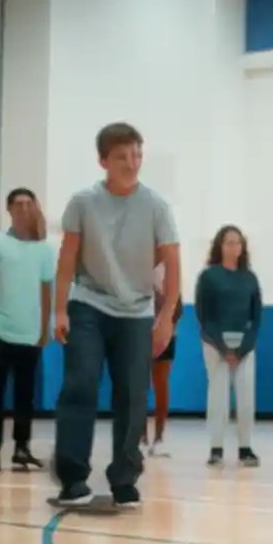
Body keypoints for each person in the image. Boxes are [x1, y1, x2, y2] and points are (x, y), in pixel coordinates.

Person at [48, 122, 180, 511]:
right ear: (103, 160)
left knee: (133, 394)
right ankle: (72, 478)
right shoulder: (83, 203)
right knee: (81, 385)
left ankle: (124, 478)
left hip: (137, 309)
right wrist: (59, 308)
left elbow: (172, 261)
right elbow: (67, 257)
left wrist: (167, 315)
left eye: (137, 154)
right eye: (122, 156)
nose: (132, 162)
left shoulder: (156, 206)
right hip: (89, 303)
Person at [0, 187, 53, 473]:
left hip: (30, 332)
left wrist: (44, 326)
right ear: (8, 209)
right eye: (17, 204)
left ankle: (22, 450)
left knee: (26, 395)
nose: (23, 209)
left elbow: (46, 289)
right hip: (0, 330)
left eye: (28, 204)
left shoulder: (44, 250)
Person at [196, 225, 263, 467]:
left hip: (244, 346)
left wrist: (244, 346)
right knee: (218, 396)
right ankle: (216, 448)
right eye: (228, 242)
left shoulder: (250, 278)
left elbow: (257, 316)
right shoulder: (209, 276)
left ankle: (245, 448)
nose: (233, 246)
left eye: (237, 242)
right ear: (219, 246)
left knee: (246, 397)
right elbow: (204, 315)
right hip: (215, 345)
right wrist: (223, 348)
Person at [142, 262, 182, 458]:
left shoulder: (169, 267)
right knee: (138, 385)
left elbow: (177, 305)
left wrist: (166, 320)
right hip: (139, 329)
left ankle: (159, 438)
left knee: (160, 384)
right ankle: (141, 438)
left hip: (165, 333)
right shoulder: (136, 263)